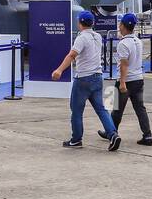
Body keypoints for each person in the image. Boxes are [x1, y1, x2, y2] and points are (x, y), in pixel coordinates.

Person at [51, 11, 121, 150]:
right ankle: (112, 134)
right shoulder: (97, 37)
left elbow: (72, 55)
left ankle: (76, 139)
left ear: (80, 23)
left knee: (76, 110)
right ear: (92, 23)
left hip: (83, 78)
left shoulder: (81, 38)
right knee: (101, 109)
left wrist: (59, 70)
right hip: (97, 76)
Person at [100, 12, 152, 146]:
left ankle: (111, 132)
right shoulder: (137, 41)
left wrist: (122, 82)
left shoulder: (123, 44)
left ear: (122, 25)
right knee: (140, 108)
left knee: (116, 108)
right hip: (138, 79)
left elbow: (124, 64)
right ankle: (147, 135)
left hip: (126, 80)